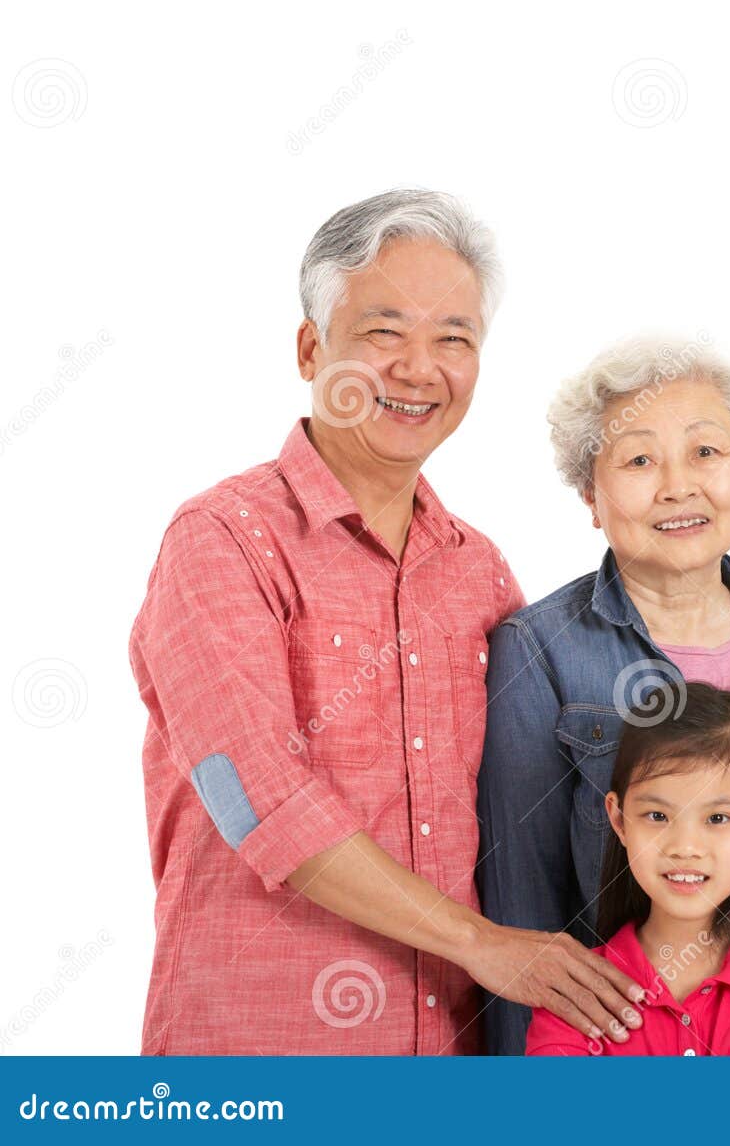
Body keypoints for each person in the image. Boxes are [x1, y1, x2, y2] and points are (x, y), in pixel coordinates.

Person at [129, 189, 643, 1054]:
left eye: (454, 339)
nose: (418, 369)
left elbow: (543, 786)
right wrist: (481, 943)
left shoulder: (479, 570)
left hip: (452, 1054)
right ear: (310, 348)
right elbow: (257, 796)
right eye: (384, 331)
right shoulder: (223, 540)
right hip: (261, 1055)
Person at [478, 335, 730, 1054]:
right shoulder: (540, 650)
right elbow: (523, 915)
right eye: (638, 460)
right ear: (590, 496)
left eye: (706, 451)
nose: (677, 486)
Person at [526, 684, 730, 1056]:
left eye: (717, 818)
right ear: (619, 819)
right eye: (657, 815)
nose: (685, 847)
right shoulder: (573, 993)